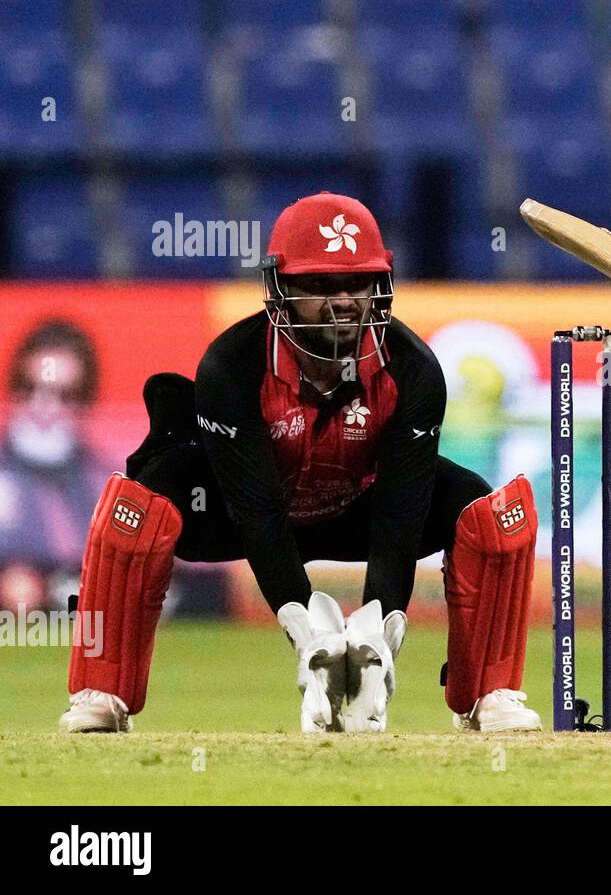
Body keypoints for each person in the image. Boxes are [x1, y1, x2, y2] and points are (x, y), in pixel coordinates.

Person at [59, 192, 541, 735]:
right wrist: (308, 633)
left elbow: (400, 517)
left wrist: (378, 637)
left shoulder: (414, 370)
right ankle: (102, 693)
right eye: (319, 286)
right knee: (137, 509)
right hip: (234, 513)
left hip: (357, 507)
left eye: (356, 284)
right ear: (280, 292)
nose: (342, 303)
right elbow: (258, 514)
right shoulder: (231, 366)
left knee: (492, 515)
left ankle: (488, 693)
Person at [0, 320, 109, 579]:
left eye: (65, 395)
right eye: (30, 388)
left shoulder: (107, 487)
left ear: (87, 401)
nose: (44, 407)